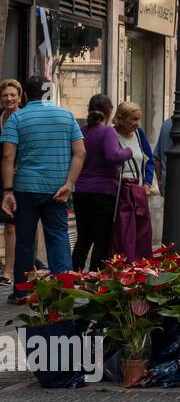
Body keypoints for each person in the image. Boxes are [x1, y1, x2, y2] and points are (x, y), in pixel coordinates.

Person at [1, 75, 86, 303]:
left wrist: (7, 191)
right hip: (57, 189)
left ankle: (23, 291)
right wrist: (69, 184)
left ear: (25, 95)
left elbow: (8, 155)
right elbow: (80, 152)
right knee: (58, 237)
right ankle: (63, 289)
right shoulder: (67, 116)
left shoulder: (18, 117)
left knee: (25, 240)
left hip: (25, 188)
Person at [71, 95, 133, 272]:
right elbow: (113, 157)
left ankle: (74, 273)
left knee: (84, 237)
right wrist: (127, 151)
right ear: (109, 112)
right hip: (103, 192)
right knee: (101, 238)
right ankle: (95, 277)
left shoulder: (82, 131)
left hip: (81, 191)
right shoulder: (108, 132)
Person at [110, 101, 153, 262]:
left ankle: (140, 266)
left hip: (139, 192)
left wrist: (147, 183)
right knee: (124, 233)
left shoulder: (139, 134)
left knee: (142, 233)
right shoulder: (112, 135)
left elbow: (149, 159)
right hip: (120, 193)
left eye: (138, 119)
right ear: (120, 119)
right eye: (133, 119)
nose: (137, 123)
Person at [0, 78, 25, 286]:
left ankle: (9, 271)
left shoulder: (23, 118)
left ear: (19, 97)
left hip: (17, 178)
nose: (8, 98)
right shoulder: (0, 118)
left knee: (12, 225)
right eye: (5, 95)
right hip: (1, 176)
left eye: (12, 95)